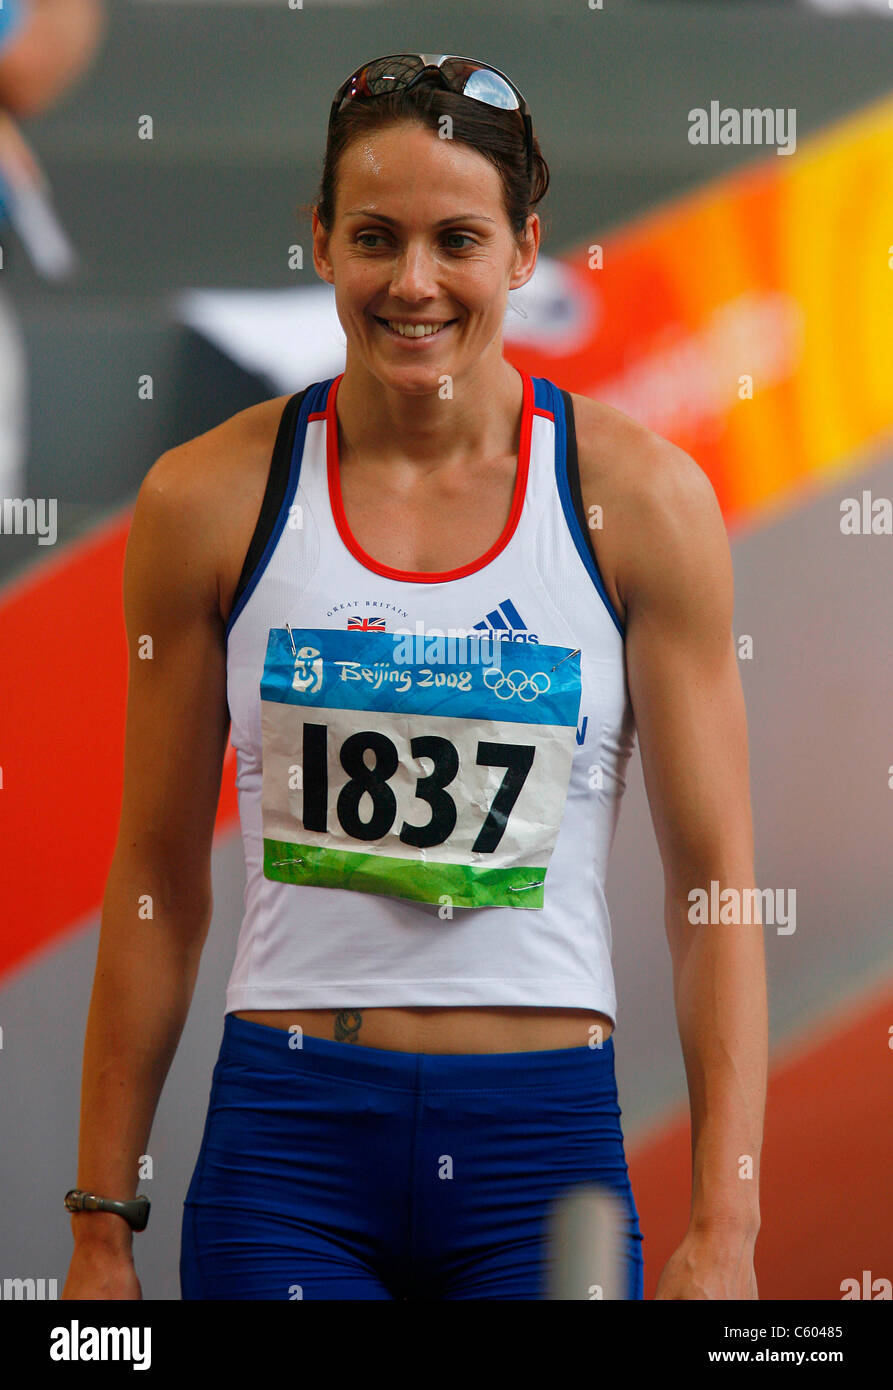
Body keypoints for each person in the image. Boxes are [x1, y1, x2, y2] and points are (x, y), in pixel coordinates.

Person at [62, 53, 767, 1301]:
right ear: (321, 242)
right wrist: (100, 1224)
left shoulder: (639, 501)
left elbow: (713, 886)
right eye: (375, 237)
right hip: (287, 1152)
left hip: (537, 1156)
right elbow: (157, 879)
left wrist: (727, 1228)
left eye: (457, 238)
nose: (414, 282)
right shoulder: (206, 500)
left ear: (521, 250)